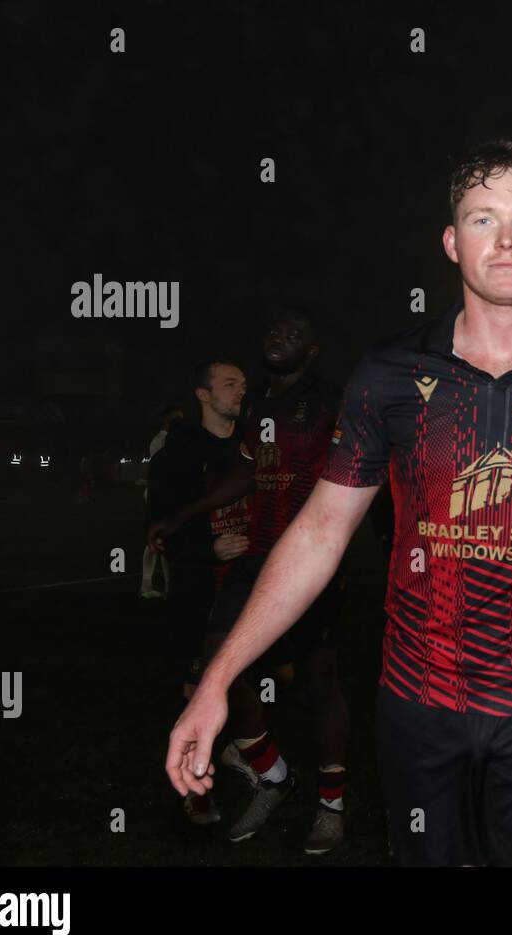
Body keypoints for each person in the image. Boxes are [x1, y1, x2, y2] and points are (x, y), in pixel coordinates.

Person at [164, 137, 512, 866]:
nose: (507, 240)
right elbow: (321, 531)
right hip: (421, 709)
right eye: (484, 219)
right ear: (453, 242)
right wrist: (220, 679)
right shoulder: (389, 375)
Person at [152, 307, 351, 855]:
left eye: (294, 333)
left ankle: (332, 804)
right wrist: (187, 514)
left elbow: (354, 483)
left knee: (318, 683)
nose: (278, 336)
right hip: (255, 561)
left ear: (312, 352)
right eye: (272, 329)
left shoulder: (332, 403)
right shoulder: (257, 404)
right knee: (218, 664)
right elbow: (248, 472)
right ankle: (274, 774)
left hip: (310, 562)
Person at [146, 362, 249, 825]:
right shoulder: (178, 453)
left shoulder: (252, 445)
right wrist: (208, 548)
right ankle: (198, 792)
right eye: (230, 385)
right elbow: (161, 530)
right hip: (199, 588)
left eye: (243, 385)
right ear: (203, 395)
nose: (239, 392)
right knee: (196, 688)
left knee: (275, 678)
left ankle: (247, 748)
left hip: (254, 584)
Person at [141, 406, 184, 598]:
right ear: (167, 420)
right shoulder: (161, 441)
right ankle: (146, 586)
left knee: (167, 541)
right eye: (176, 419)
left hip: (165, 494)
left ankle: (168, 585)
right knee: (157, 540)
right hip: (160, 495)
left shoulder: (170, 440)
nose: (180, 422)